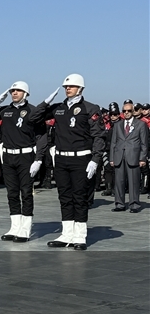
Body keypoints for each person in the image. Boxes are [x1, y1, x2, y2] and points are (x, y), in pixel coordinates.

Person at [43, 74, 107, 250]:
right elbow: (35, 116)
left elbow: (99, 136)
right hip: (62, 158)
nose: (67, 89)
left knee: (79, 197)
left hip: (81, 158)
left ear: (81, 89)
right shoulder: (59, 108)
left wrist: (95, 159)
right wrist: (47, 101)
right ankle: (66, 234)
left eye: (71, 86)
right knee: (64, 197)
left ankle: (79, 235)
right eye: (65, 87)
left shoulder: (90, 108)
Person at [0, 81, 48, 241]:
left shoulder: (33, 111)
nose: (14, 93)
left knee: (26, 192)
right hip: (8, 156)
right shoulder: (6, 111)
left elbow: (42, 136)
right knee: (11, 193)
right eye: (12, 91)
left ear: (26, 93)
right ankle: (15, 226)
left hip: (26, 157)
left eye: (18, 90)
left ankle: (25, 228)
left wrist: (38, 159)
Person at [109, 100, 148, 213]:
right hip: (119, 156)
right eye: (124, 111)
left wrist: (142, 158)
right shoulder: (117, 125)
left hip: (134, 156)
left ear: (133, 111)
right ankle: (119, 204)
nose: (126, 113)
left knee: (134, 182)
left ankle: (134, 204)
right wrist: (112, 158)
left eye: (129, 111)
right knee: (119, 182)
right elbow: (113, 143)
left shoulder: (141, 124)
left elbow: (144, 143)